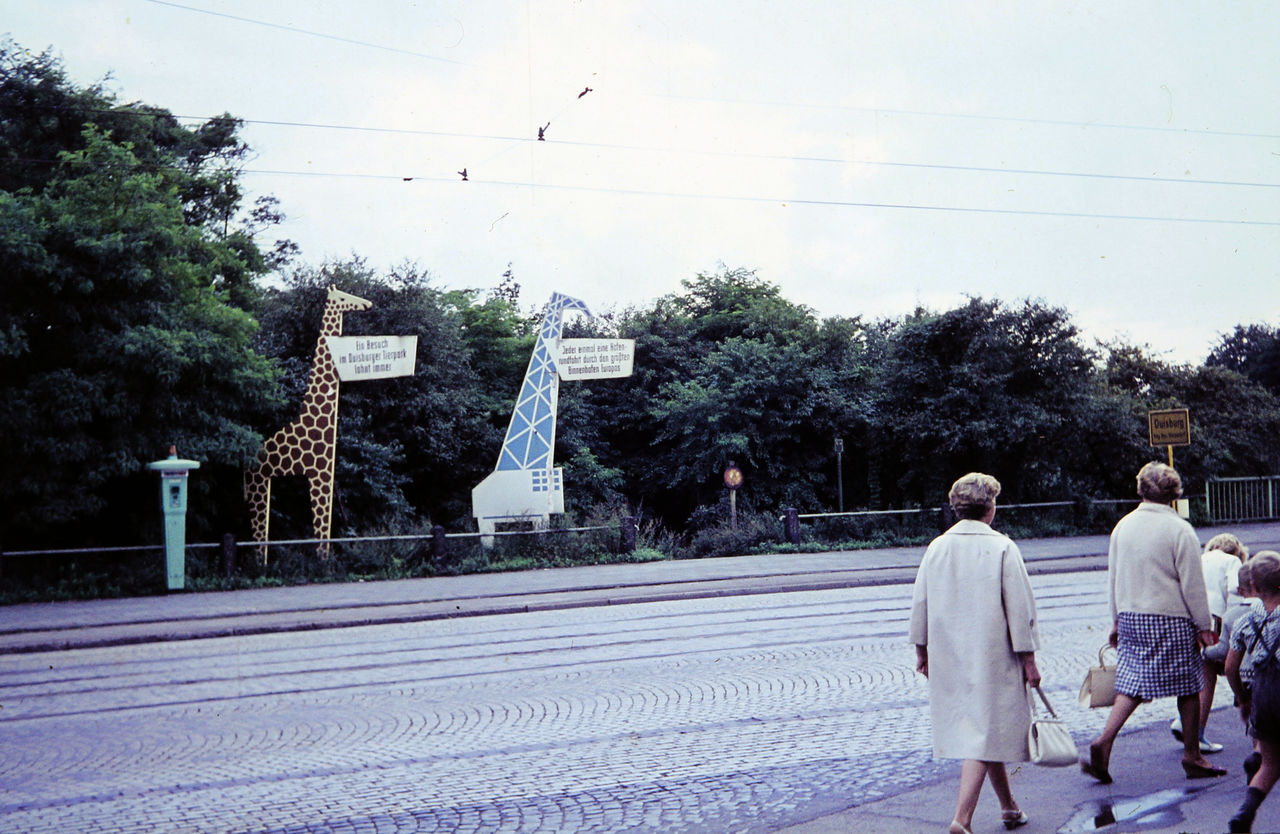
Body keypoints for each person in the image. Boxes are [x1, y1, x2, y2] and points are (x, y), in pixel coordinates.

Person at [910, 472, 1040, 834]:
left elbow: (920, 602)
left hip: (950, 654)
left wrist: (921, 650)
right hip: (994, 655)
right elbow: (1020, 610)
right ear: (991, 507)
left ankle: (1009, 808)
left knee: (983, 727)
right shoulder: (1002, 547)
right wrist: (1029, 660)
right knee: (983, 730)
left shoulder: (937, 546)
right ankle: (962, 819)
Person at [1081, 461, 1226, 783]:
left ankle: (1104, 741)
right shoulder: (1179, 529)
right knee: (1190, 685)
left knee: (1132, 683)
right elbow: (1192, 583)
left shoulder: (1123, 526)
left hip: (1132, 616)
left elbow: (1114, 578)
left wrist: (1116, 620)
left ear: (1141, 489)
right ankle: (1193, 755)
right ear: (1174, 493)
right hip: (1170, 617)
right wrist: (1204, 626)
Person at [1172, 533, 1251, 752]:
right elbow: (1236, 593)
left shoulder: (1200, 559)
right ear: (1237, 551)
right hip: (1216, 621)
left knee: (1201, 671)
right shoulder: (1232, 561)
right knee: (1215, 670)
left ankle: (1184, 721)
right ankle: (1197, 731)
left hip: (1190, 620)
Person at [1225, 552, 1280, 832]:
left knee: (1270, 764)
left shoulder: (1245, 622)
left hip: (1263, 694)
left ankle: (1244, 814)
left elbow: (1230, 668)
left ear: (1254, 586)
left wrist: (1242, 698)